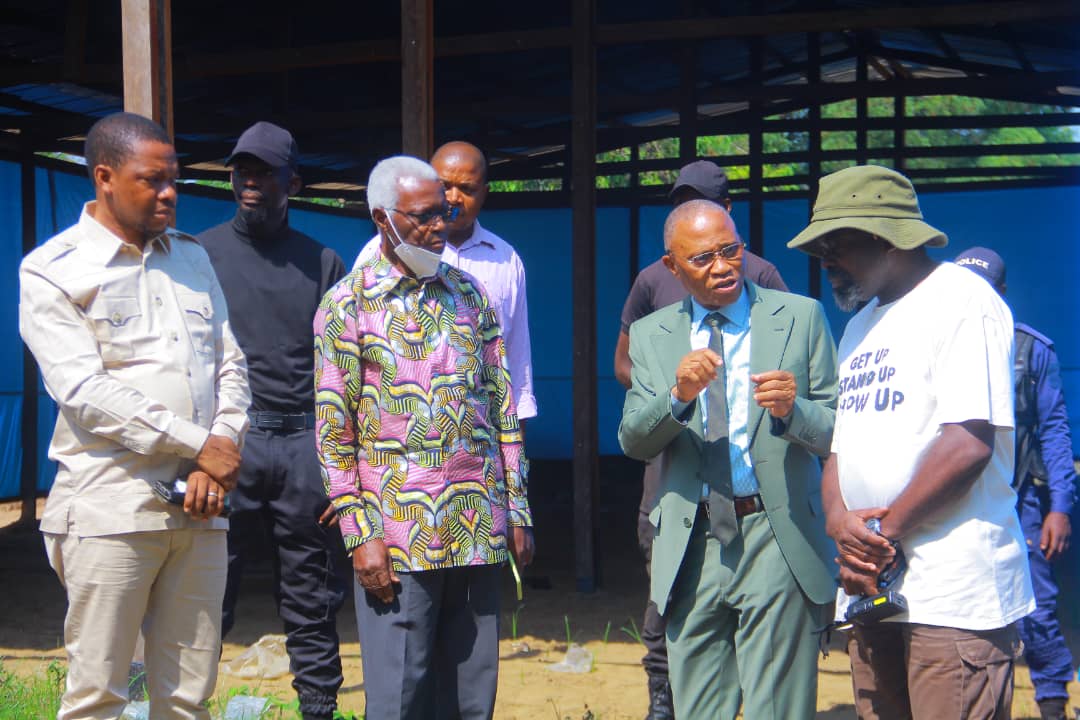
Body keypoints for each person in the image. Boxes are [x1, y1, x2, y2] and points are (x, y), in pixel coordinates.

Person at [18, 112, 250, 719]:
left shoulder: (192, 258)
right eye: (153, 180)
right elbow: (84, 390)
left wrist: (215, 452)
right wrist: (200, 443)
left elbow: (231, 364)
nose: (170, 193)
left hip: (200, 510)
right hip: (109, 509)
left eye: (173, 180)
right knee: (99, 694)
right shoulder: (54, 269)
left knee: (188, 696)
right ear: (104, 177)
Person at [788, 165, 1034, 719]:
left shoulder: (962, 301)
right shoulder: (859, 325)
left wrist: (879, 533)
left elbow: (968, 442)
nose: (823, 259)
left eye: (836, 244)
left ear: (886, 238)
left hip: (950, 596)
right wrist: (839, 525)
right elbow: (839, 448)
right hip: (870, 590)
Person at [315, 155, 534, 719]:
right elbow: (335, 435)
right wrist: (360, 534)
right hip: (398, 538)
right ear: (381, 219)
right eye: (423, 217)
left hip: (477, 528)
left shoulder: (471, 295)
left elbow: (502, 409)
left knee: (469, 697)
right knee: (400, 696)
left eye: (443, 211)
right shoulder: (348, 306)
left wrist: (518, 511)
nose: (440, 225)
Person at [618, 199, 837, 719]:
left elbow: (839, 431)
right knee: (699, 708)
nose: (722, 267)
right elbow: (633, 439)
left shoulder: (800, 317)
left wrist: (794, 410)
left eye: (730, 250)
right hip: (691, 543)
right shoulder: (653, 335)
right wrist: (677, 396)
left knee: (778, 708)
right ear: (672, 267)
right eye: (702, 259)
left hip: (773, 533)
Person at [198, 121, 347, 720]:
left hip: (303, 443)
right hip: (228, 442)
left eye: (264, 172)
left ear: (293, 182)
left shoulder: (322, 261)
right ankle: (183, 703)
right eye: (242, 170)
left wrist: (341, 464)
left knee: (310, 592)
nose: (250, 182)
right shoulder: (200, 254)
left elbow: (344, 370)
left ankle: (318, 707)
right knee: (208, 587)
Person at [954, 247, 1075, 720]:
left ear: (1002, 295)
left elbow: (1055, 433)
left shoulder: (1030, 349)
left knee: (1037, 607)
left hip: (1019, 498)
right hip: (950, 499)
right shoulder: (931, 342)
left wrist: (1059, 507)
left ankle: (1052, 706)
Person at [353, 141, 536, 429]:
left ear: (484, 194)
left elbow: (516, 356)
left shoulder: (505, 260)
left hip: (477, 442)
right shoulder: (380, 252)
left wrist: (517, 452)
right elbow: (353, 359)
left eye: (467, 189)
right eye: (445, 186)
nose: (454, 198)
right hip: (398, 438)